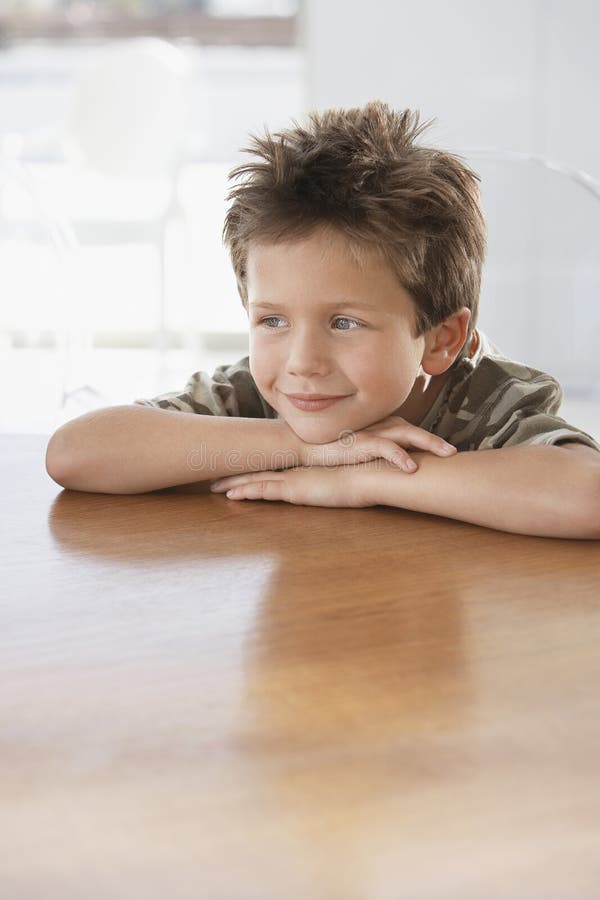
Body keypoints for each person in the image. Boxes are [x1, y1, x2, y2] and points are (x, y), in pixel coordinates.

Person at [45, 101, 600, 538]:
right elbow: (77, 454)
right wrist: (307, 450)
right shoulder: (267, 396)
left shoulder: (485, 399)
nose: (301, 362)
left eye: (343, 323)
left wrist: (368, 480)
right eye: (272, 322)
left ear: (441, 340)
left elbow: (587, 497)